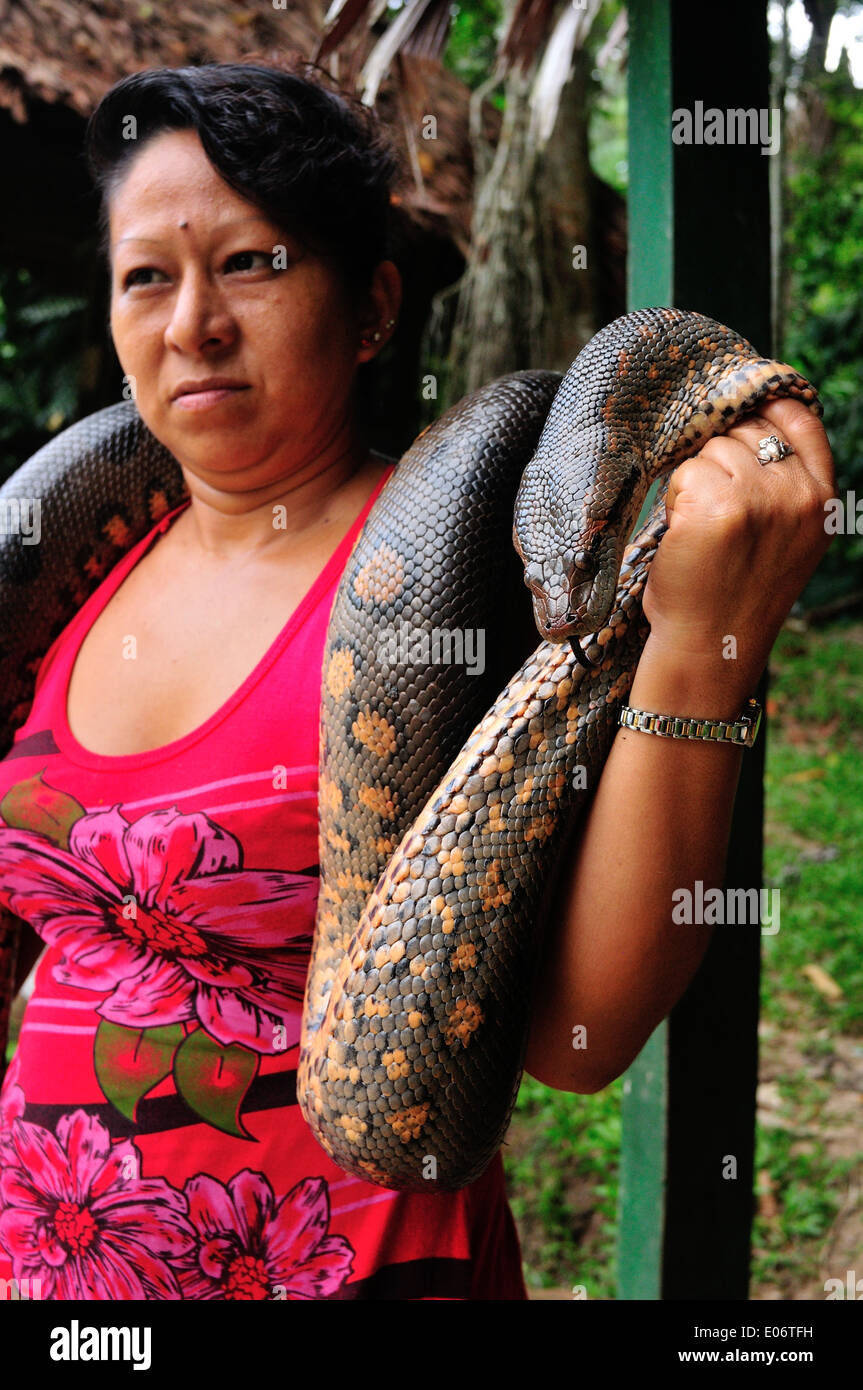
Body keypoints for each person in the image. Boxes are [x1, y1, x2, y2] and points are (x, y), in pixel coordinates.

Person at [0, 60, 835, 1302]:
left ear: (371, 305)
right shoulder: (74, 584)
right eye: (145, 278)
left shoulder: (482, 578)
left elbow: (575, 1038)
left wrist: (700, 649)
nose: (191, 325)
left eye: (250, 265)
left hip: (348, 1269)